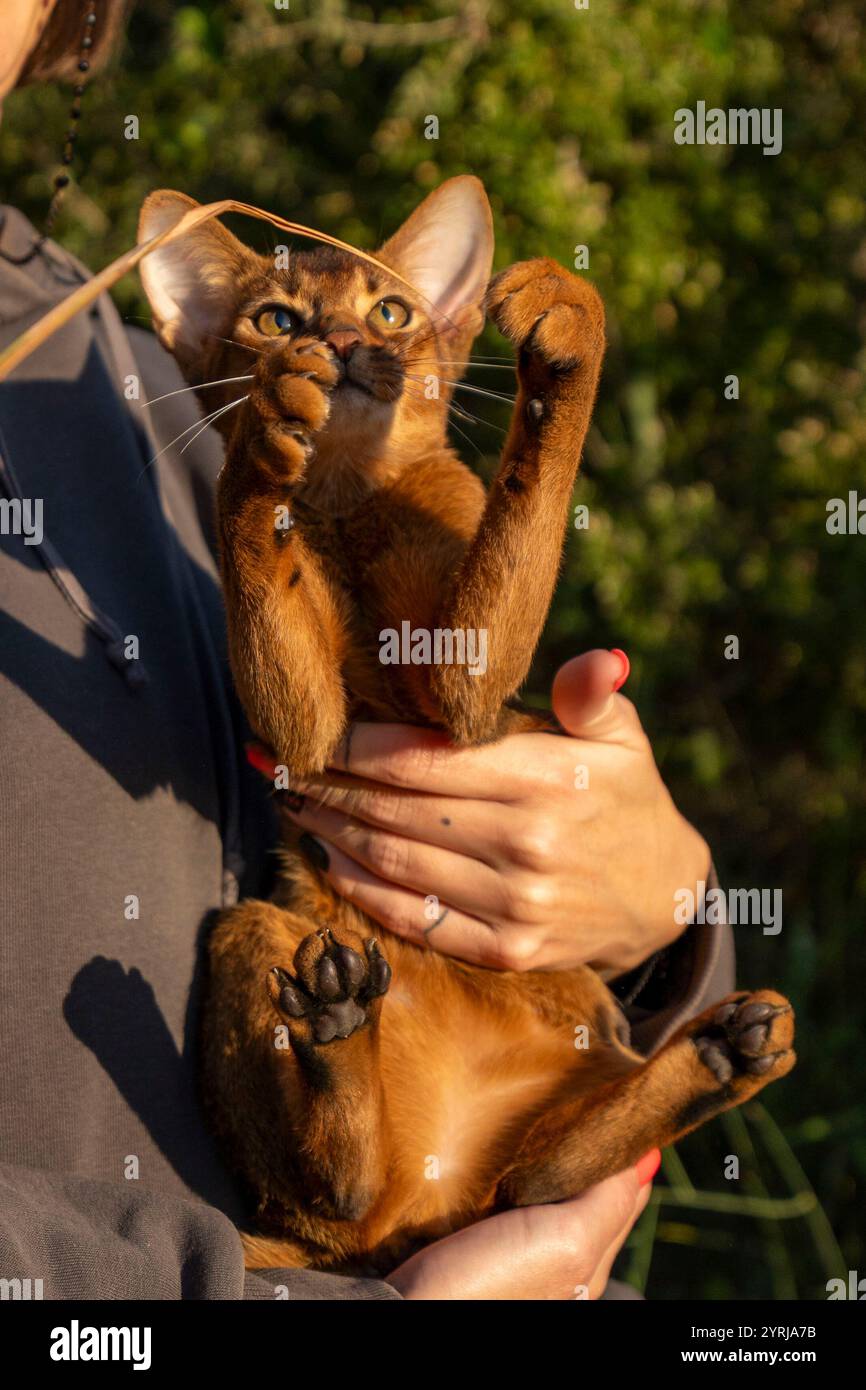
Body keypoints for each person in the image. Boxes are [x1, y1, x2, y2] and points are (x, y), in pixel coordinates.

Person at [0, 0, 732, 1300]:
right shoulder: (223, 428)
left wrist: (659, 920)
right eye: (289, 328)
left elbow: (423, 705)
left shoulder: (165, 400)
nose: (334, 345)